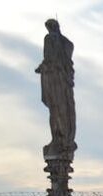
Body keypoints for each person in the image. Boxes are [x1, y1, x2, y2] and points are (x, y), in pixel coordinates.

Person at [36, 19, 77, 158]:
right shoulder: (67, 43)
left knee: (56, 111)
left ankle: (59, 139)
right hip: (65, 84)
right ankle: (64, 139)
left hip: (55, 81)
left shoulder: (49, 39)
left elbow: (49, 58)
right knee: (63, 111)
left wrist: (42, 68)